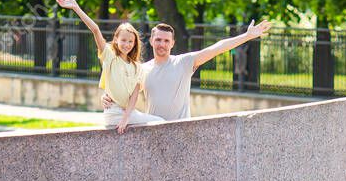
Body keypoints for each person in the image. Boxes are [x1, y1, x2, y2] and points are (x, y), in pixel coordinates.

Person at [102, 19, 271, 122]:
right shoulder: (142, 70)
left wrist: (247, 36)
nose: (162, 44)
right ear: (152, 41)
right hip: (154, 133)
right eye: (158, 39)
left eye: (166, 41)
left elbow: (216, 48)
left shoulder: (184, 62)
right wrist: (107, 97)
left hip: (182, 130)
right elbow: (124, 93)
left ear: (173, 43)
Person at [55, 0, 164, 133]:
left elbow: (134, 97)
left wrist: (125, 118)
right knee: (160, 123)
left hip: (128, 113)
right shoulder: (110, 56)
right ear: (116, 39)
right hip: (113, 112)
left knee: (160, 123)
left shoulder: (137, 67)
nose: (127, 44)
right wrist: (76, 8)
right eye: (123, 40)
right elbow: (95, 30)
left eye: (131, 41)